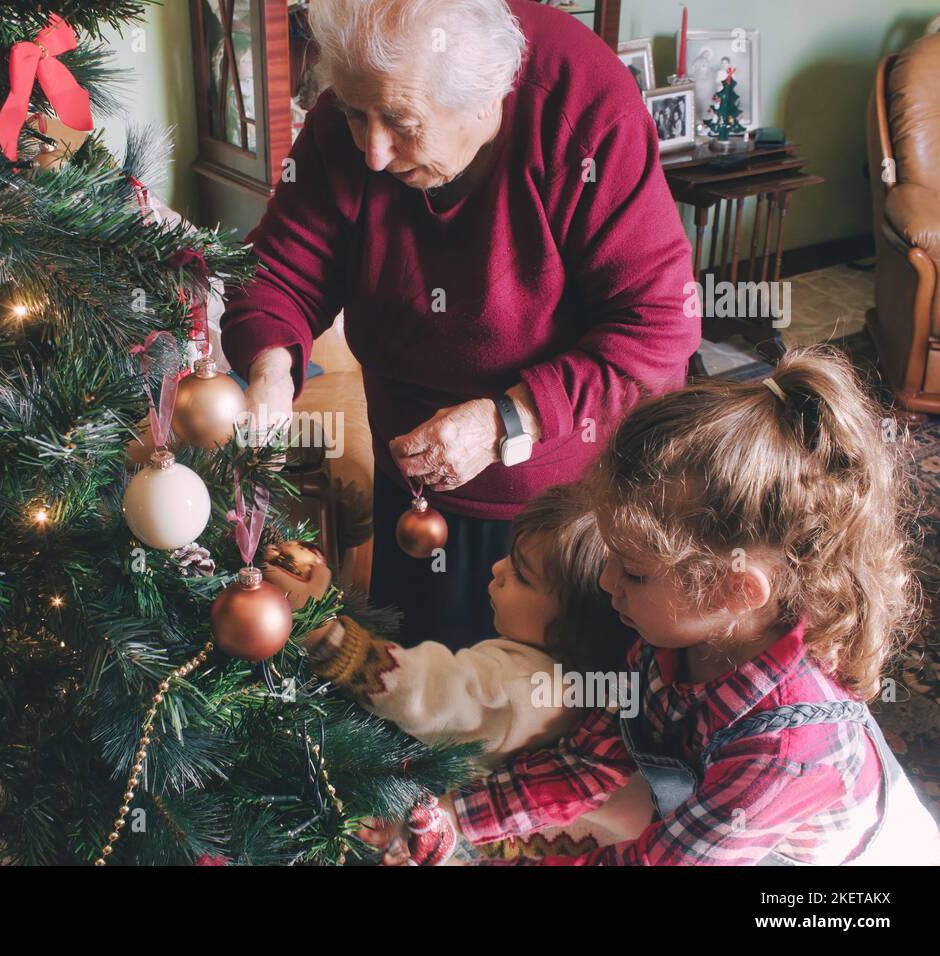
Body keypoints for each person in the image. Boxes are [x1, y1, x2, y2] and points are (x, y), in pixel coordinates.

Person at [219, 0, 699, 650]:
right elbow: (280, 273)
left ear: (487, 96)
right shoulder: (363, 96)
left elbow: (657, 332)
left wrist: (507, 421)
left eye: (402, 124)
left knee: (547, 717)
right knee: (413, 693)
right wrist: (272, 372)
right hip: (412, 481)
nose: (375, 153)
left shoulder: (582, 109)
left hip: (562, 511)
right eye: (356, 116)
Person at [368, 347, 940, 865]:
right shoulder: (670, 638)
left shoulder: (789, 749)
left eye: (635, 572)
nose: (608, 582)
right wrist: (455, 816)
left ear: (734, 590)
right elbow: (587, 762)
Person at [265, 484, 654, 862]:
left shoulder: (520, 687)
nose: (498, 569)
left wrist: (327, 635)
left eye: (521, 575)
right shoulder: (595, 673)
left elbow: (431, 690)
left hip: (501, 845)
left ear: (573, 624)